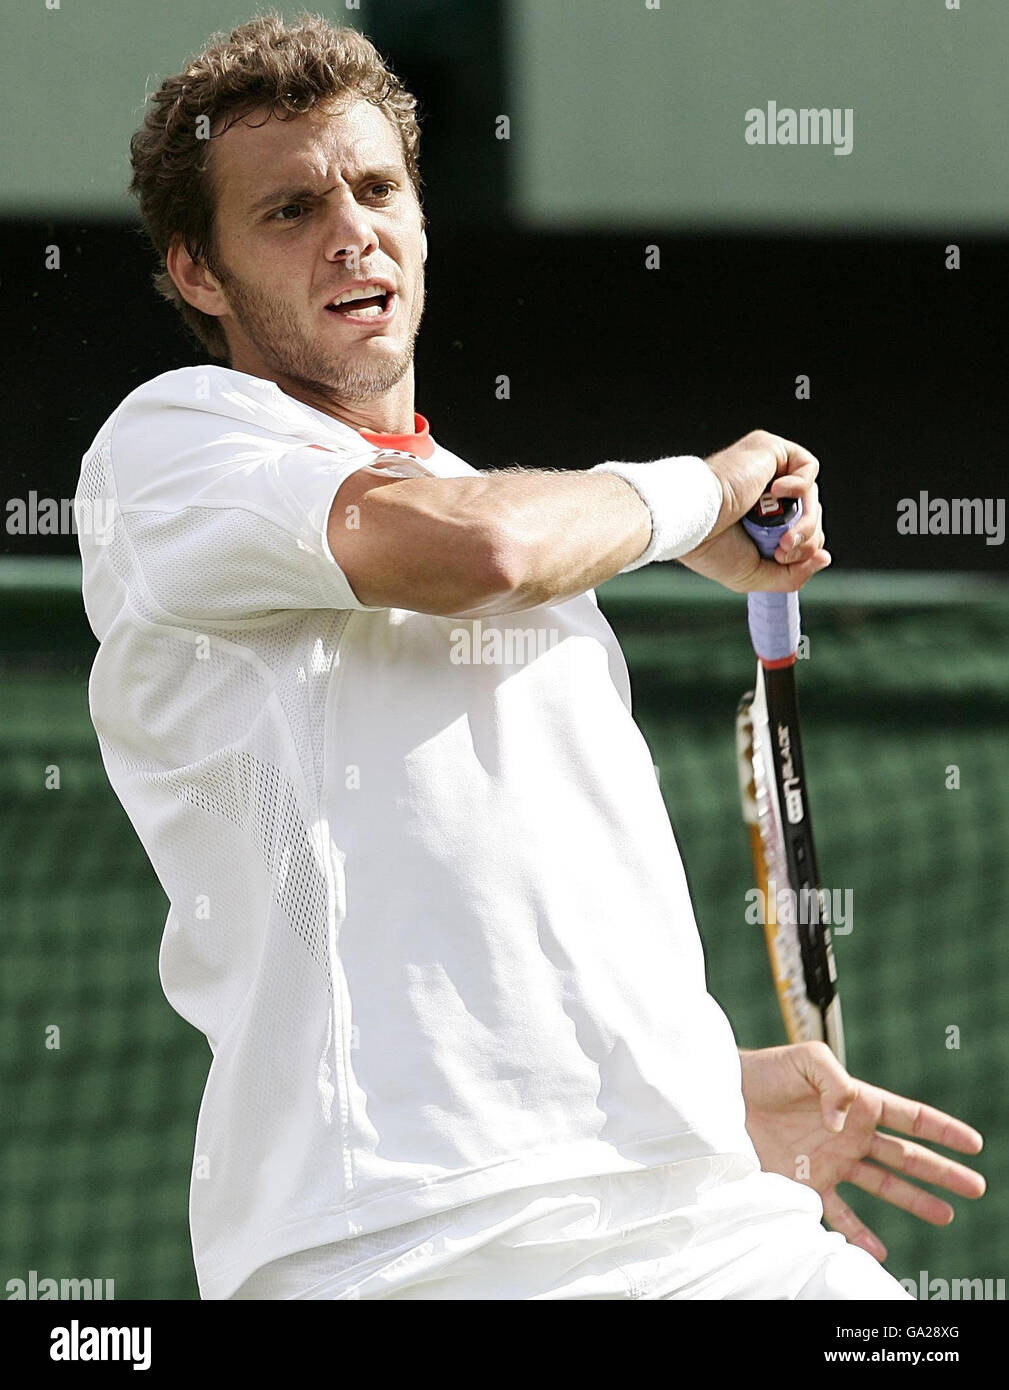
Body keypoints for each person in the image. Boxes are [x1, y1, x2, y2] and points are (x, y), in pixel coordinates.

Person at [75, 13, 985, 1300]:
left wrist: (688, 1084)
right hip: (403, 1249)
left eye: (378, 188)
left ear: (423, 222)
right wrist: (700, 494)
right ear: (200, 274)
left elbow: (492, 887)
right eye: (288, 210)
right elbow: (485, 551)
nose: (353, 231)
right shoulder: (176, 446)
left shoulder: (523, 533)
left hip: (708, 1218)